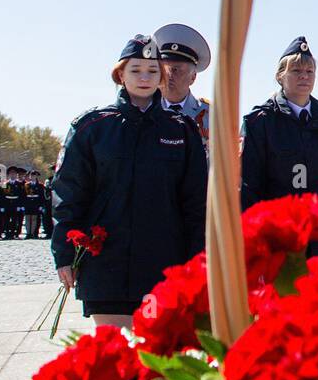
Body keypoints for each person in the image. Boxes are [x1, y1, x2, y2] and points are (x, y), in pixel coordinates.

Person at [51, 34, 207, 329]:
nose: (145, 77)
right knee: (115, 355)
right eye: (136, 70)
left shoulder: (182, 131)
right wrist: (65, 254)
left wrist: (196, 259)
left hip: (163, 261)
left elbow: (195, 202)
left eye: (152, 70)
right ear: (121, 74)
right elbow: (68, 194)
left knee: (154, 360)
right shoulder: (93, 127)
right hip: (107, 262)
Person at [239, 36, 318, 260]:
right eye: (296, 71)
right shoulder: (260, 123)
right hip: (279, 244)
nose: (304, 76)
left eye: (309, 71)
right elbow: (248, 187)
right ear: (280, 76)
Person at [153, 22, 213, 157]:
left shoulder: (211, 116)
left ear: (193, 77)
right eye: (164, 69)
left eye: (176, 70)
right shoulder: (144, 111)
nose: (169, 75)